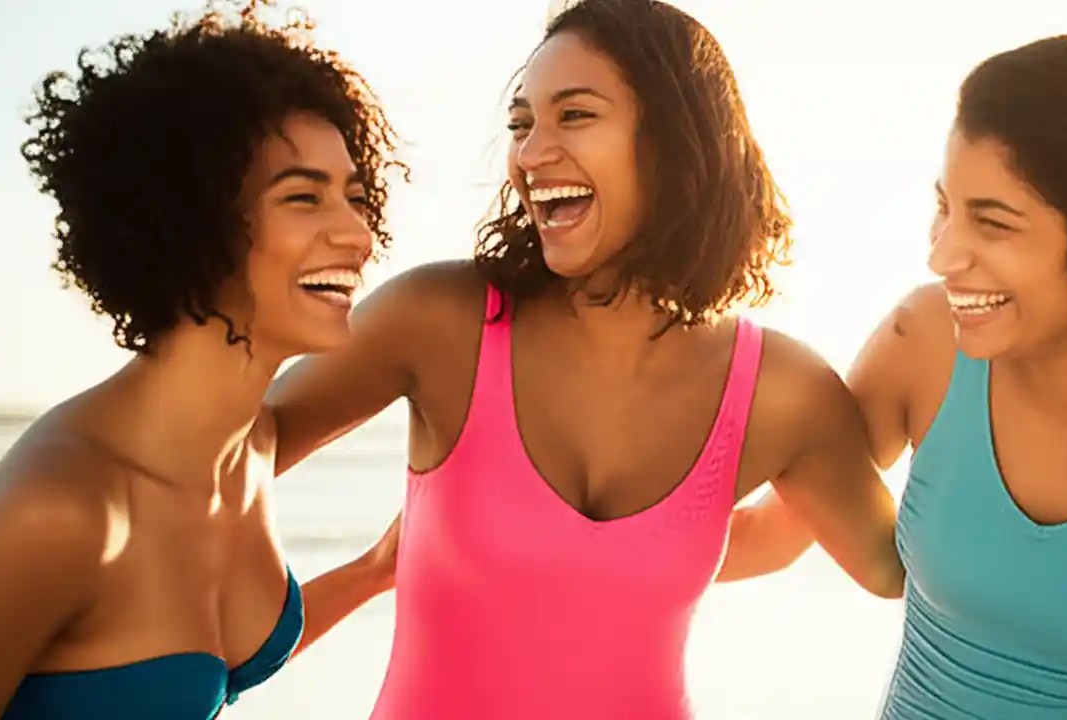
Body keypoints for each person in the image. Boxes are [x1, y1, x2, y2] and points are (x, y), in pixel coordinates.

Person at [265, 1, 903, 717]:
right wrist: (360, 577)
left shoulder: (781, 391)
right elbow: (217, 462)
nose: (532, 153)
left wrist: (919, 367)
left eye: (574, 115)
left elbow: (883, 565)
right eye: (520, 123)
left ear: (675, 140)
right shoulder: (439, 321)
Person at [732, 33, 1067, 719]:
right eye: (946, 206)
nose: (943, 255)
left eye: (993, 223)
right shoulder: (926, 346)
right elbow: (772, 534)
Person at [0, 2, 404, 718]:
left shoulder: (250, 448)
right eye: (304, 197)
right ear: (189, 221)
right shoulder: (64, 507)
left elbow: (192, 678)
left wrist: (372, 573)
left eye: (356, 197)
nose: (357, 232)